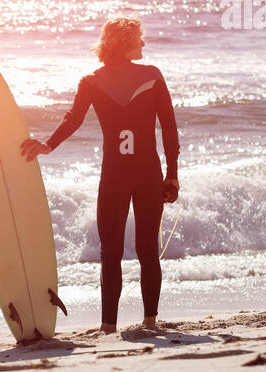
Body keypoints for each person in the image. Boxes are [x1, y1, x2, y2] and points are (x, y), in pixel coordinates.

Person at [20, 17, 179, 333]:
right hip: (148, 172)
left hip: (114, 177)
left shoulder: (91, 81)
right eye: (138, 39)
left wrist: (48, 145)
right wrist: (172, 174)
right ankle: (150, 322)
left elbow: (73, 119)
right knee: (148, 249)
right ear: (125, 43)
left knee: (111, 253)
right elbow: (169, 128)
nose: (143, 44)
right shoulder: (152, 76)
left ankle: (108, 327)